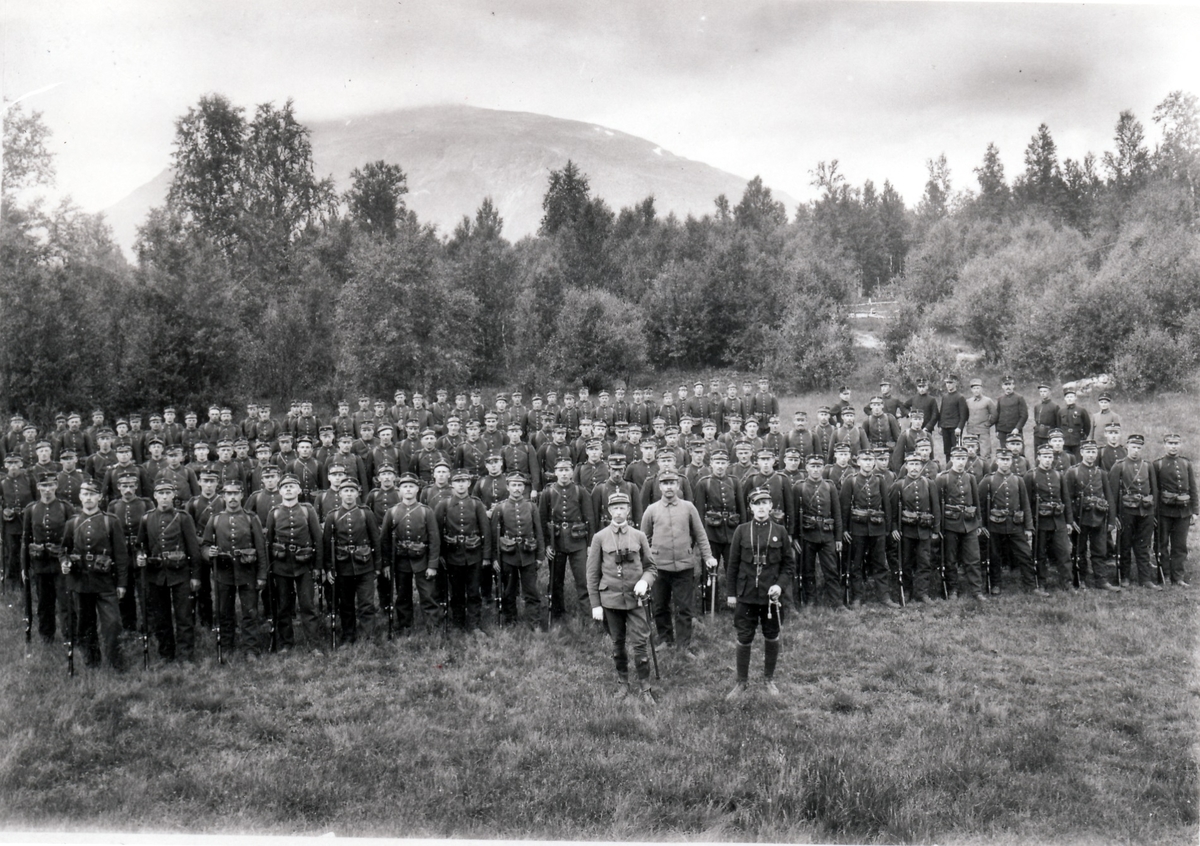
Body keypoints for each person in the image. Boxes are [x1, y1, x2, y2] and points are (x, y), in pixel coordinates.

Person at [586, 491, 657, 702]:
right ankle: (623, 683)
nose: (618, 512)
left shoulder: (639, 536)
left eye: (622, 508)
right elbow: (592, 574)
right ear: (609, 511)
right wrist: (595, 605)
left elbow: (651, 567)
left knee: (640, 645)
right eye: (614, 508)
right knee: (617, 644)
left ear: (628, 510)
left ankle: (645, 688)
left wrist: (645, 581)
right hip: (610, 601)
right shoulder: (599, 538)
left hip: (635, 601)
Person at [725, 489, 794, 699]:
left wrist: (780, 587)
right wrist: (731, 594)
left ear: (771, 506)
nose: (761, 507)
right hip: (746, 594)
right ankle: (741, 682)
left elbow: (788, 565)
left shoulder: (780, 531)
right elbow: (733, 564)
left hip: (771, 595)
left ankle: (768, 679)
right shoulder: (742, 531)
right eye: (757, 503)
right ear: (751, 507)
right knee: (744, 636)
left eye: (765, 503)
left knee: (771, 635)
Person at [640, 469, 715, 660]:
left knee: (684, 607)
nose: (669, 487)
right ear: (660, 487)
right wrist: (646, 561)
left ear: (678, 485)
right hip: (659, 568)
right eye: (665, 483)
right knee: (660, 606)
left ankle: (684, 645)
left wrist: (708, 557)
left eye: (672, 483)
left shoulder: (689, 508)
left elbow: (700, 535)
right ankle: (666, 639)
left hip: (684, 566)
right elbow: (643, 539)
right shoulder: (652, 510)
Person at [61, 479, 129, 670]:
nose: (88, 498)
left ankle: (116, 663)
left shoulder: (111, 521)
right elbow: (63, 550)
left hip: (106, 582)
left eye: (92, 494)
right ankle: (93, 663)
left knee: (113, 624)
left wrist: (122, 583)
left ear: (99, 497)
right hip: (81, 582)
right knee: (85, 625)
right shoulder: (72, 523)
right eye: (85, 494)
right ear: (80, 497)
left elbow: (121, 555)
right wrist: (65, 562)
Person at [202, 479, 268, 659]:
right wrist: (210, 552)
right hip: (223, 573)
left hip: (247, 572)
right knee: (224, 612)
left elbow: (261, 549)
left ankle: (251, 649)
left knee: (250, 612)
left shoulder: (250, 518)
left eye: (235, 493)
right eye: (228, 494)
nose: (232, 497)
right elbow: (205, 545)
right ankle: (226, 647)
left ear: (241, 495)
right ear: (223, 496)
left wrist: (262, 575)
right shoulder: (215, 519)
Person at [137, 480, 202, 662]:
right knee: (161, 617)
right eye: (160, 493)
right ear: (155, 496)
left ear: (173, 496)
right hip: (156, 576)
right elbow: (140, 545)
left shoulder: (183, 517)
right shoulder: (147, 518)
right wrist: (141, 556)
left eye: (168, 493)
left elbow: (194, 550)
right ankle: (166, 654)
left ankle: (186, 655)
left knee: (184, 617)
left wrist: (195, 576)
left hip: (180, 573)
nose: (164, 497)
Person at [264, 474, 324, 651]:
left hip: (304, 565)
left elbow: (317, 539)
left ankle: (313, 644)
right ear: (280, 491)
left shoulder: (307, 510)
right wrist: (270, 569)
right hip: (281, 566)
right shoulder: (274, 513)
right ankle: (285, 644)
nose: (289, 489)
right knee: (283, 606)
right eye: (285, 487)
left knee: (307, 606)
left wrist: (318, 567)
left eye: (292, 486)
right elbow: (268, 541)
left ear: (298, 490)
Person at [379, 473, 441, 634]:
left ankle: (433, 626)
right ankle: (405, 625)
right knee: (403, 595)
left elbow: (435, 539)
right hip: (401, 560)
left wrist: (433, 565)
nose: (408, 490)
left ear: (417, 490)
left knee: (428, 594)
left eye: (411, 487)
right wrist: (386, 563)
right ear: (399, 490)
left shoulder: (426, 511)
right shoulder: (392, 512)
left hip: (422, 560)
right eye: (404, 487)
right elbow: (384, 540)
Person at [323, 478, 381, 644]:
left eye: (352, 491)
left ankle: (369, 635)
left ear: (357, 493)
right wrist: (328, 569)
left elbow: (375, 540)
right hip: (342, 567)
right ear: (340, 493)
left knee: (366, 604)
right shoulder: (332, 516)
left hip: (365, 565)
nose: (349, 494)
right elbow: (327, 545)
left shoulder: (366, 514)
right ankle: (348, 636)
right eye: (345, 491)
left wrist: (377, 566)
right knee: (346, 605)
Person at [434, 469, 493, 632]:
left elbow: (485, 530)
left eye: (464, 481)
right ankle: (458, 623)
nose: (460, 485)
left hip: (474, 554)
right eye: (457, 481)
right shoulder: (443, 505)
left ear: (469, 483)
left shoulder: (476, 504)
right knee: (456, 591)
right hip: (452, 556)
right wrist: (439, 555)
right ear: (452, 484)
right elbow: (436, 532)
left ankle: (474, 624)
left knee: (474, 591)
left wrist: (487, 556)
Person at [539, 458, 596, 621]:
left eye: (567, 470)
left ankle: (588, 615)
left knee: (583, 580)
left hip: (577, 541)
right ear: (555, 472)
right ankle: (558, 615)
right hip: (556, 542)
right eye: (560, 470)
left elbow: (589, 518)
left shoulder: (580, 491)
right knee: (556, 581)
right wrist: (547, 545)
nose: (564, 474)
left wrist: (590, 544)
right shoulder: (547, 493)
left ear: (572, 472)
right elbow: (542, 519)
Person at [21, 474, 74, 643]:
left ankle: (69, 635)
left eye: (51, 486)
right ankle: (46, 636)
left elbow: (72, 536)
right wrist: (24, 567)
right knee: (44, 602)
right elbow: (26, 538)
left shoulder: (65, 508)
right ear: (38, 487)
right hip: (40, 563)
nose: (47, 490)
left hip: (60, 562)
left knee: (65, 601)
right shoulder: (31, 509)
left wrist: (70, 560)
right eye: (44, 486)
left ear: (56, 486)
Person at [490, 472, 545, 629]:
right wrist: (494, 558)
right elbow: (494, 536)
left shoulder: (531, 506)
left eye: (520, 485)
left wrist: (540, 556)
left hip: (528, 555)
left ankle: (534, 623)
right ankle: (510, 622)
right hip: (508, 556)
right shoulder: (500, 508)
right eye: (513, 485)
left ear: (524, 487)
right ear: (507, 487)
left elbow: (538, 532)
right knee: (509, 591)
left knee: (531, 591)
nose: (517, 488)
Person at [1066, 440, 1121, 592]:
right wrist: (1070, 520)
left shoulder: (1102, 473)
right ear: (1082, 453)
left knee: (1100, 550)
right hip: (1080, 519)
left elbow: (1109, 497)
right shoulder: (1073, 472)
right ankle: (1081, 579)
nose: (1091, 455)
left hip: (1099, 518)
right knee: (1079, 550)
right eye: (1088, 452)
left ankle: (1101, 580)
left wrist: (1110, 520)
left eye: (1093, 452)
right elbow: (1067, 498)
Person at [840, 450, 892, 607]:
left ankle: (884, 596)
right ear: (858, 462)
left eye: (871, 460)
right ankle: (857, 597)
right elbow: (844, 507)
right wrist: (844, 530)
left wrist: (887, 528)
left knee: (880, 563)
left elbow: (886, 505)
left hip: (877, 527)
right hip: (858, 528)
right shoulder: (851, 481)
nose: (868, 463)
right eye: (865, 460)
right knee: (856, 564)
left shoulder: (880, 480)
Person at [793, 455, 842, 609]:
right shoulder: (799, 487)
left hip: (827, 534)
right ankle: (811, 601)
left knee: (831, 569)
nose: (815, 469)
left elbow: (837, 513)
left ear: (823, 468)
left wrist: (838, 538)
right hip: (807, 534)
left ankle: (836, 602)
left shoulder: (829, 486)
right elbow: (794, 514)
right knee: (807, 570)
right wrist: (794, 538)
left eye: (818, 466)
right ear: (807, 468)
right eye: (812, 466)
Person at [1110, 434, 1159, 589]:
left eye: (1139, 447)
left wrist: (1153, 511)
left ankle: (1145, 579)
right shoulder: (1119, 466)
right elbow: (1112, 493)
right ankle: (1124, 576)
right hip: (1126, 511)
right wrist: (1114, 516)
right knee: (1124, 544)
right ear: (1127, 447)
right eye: (1133, 447)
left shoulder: (1148, 465)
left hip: (1145, 511)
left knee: (1144, 545)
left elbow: (1154, 490)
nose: (1136, 451)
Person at [891, 454, 942, 603]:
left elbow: (936, 507)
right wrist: (894, 528)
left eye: (917, 464)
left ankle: (922, 592)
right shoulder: (898, 485)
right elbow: (893, 510)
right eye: (911, 464)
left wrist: (936, 530)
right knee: (906, 562)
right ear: (906, 466)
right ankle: (907, 590)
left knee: (924, 561)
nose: (914, 468)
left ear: (922, 466)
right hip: (906, 531)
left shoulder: (929, 483)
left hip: (925, 530)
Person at [1025, 445, 1072, 594]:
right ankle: (1041, 582)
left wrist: (1069, 521)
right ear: (1038, 457)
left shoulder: (1058, 475)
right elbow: (1026, 502)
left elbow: (1066, 499)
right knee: (1040, 554)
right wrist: (1029, 524)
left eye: (1050, 457)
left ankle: (1067, 583)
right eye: (1044, 456)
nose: (1047, 460)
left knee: (1064, 552)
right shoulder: (1030, 476)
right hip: (1040, 521)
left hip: (1058, 521)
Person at [1154, 433, 1197, 587]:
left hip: (1183, 512)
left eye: (1176, 443)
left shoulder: (1186, 463)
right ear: (1164, 445)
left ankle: (1178, 577)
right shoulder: (1157, 464)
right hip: (1164, 512)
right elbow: (1155, 490)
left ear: (1180, 445)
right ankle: (1164, 575)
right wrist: (1155, 513)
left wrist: (1195, 511)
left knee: (1180, 546)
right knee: (1162, 544)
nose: (1173, 446)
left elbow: (1193, 488)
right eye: (1170, 443)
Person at [938, 375, 970, 462]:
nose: (948, 385)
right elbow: (942, 412)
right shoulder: (944, 396)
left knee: (956, 449)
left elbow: (964, 415)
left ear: (955, 383)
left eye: (950, 383)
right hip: (945, 427)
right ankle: (948, 467)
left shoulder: (960, 397)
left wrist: (959, 427)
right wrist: (940, 425)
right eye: (947, 383)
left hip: (955, 428)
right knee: (947, 450)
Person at [965, 378, 997, 460]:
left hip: (983, 432)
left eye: (978, 388)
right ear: (971, 390)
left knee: (985, 454)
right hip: (971, 431)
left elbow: (994, 414)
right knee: (972, 453)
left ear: (981, 389)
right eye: (974, 388)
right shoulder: (968, 401)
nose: (976, 390)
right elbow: (964, 414)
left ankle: (986, 471)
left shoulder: (988, 401)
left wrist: (988, 424)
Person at [994, 376, 1029, 444]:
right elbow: (997, 415)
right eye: (1006, 385)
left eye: (1010, 384)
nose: (1008, 387)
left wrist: (1017, 428)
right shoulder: (1000, 399)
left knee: (1017, 452)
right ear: (1002, 386)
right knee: (1004, 453)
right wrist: (997, 430)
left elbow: (1024, 415)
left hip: (1015, 431)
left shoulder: (1019, 398)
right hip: (1002, 431)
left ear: (1013, 385)